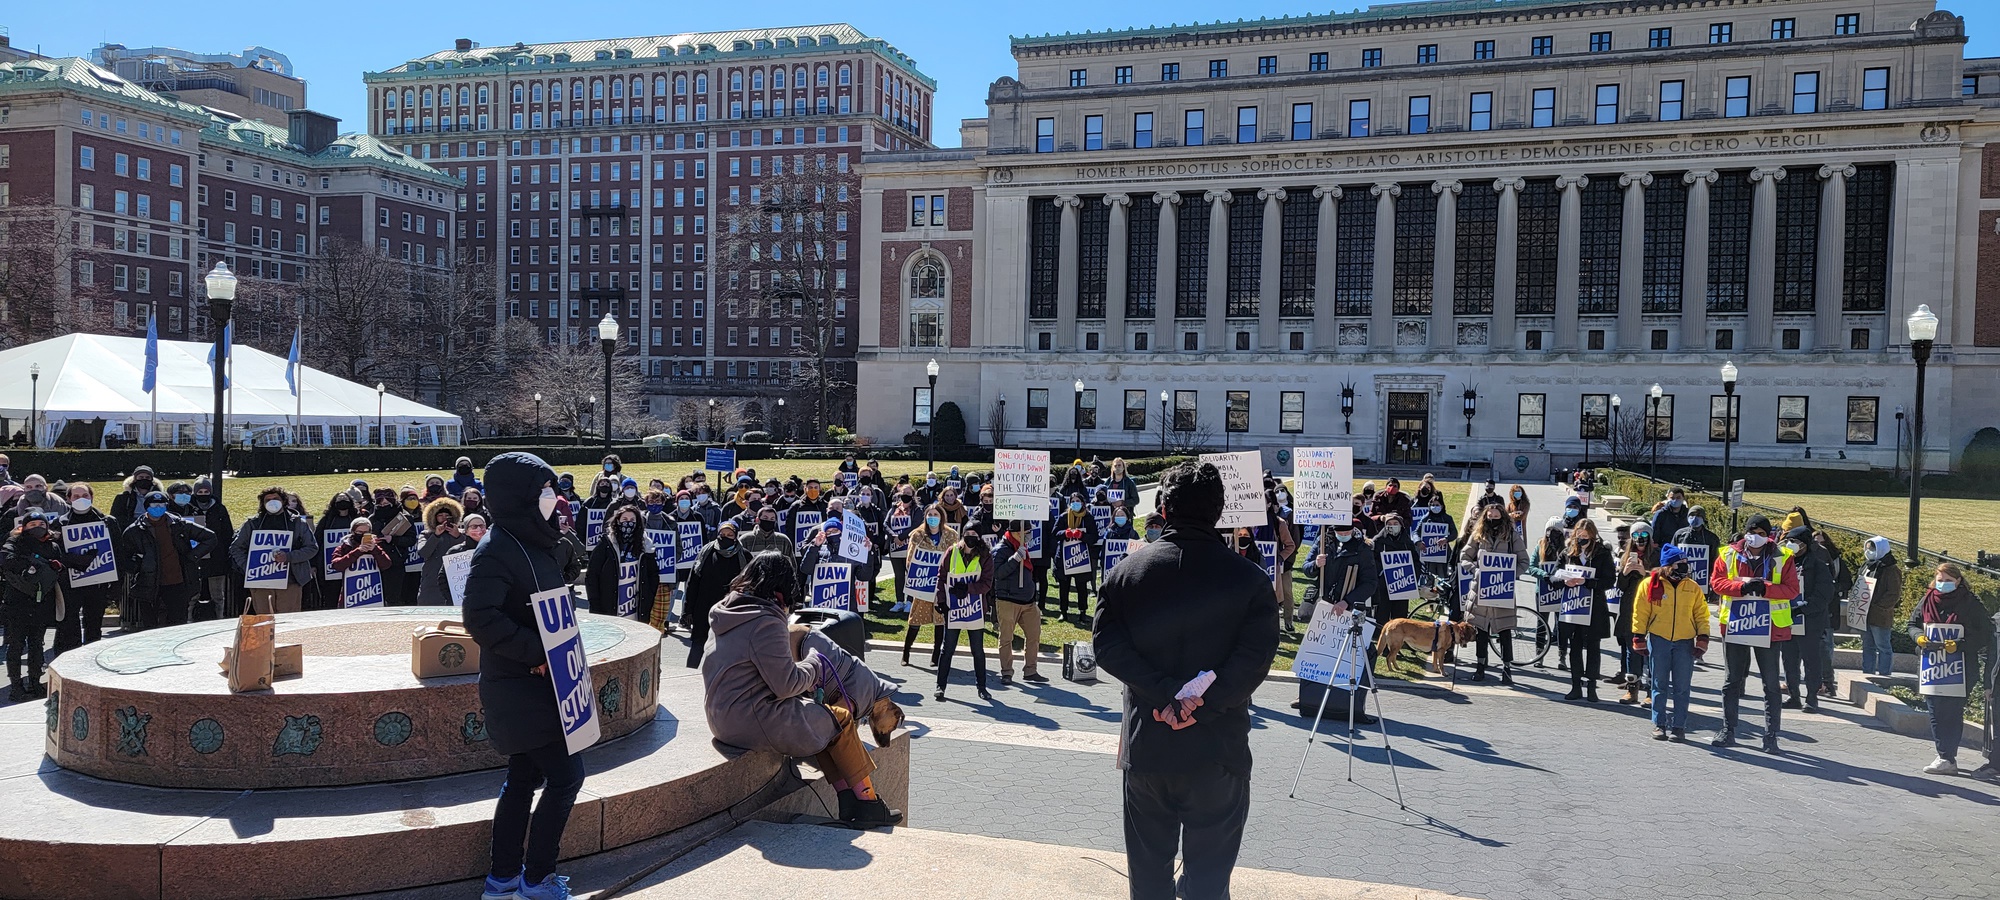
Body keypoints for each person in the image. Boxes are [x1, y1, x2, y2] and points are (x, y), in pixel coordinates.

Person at [1093, 461, 1280, 900]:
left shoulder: (1126, 574)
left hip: (1149, 747)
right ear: (1218, 513)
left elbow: (1108, 648)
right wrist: (1199, 703)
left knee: (1149, 882)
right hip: (1217, 750)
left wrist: (1164, 694)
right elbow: (1254, 660)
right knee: (1208, 884)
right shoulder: (1250, 580)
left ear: (1163, 508)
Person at [460, 453, 587, 900]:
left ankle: (503, 877)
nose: (553, 498)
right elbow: (479, 616)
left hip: (544, 682)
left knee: (522, 779)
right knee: (568, 776)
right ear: (519, 498)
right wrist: (537, 653)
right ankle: (537, 878)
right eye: (543, 491)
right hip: (520, 684)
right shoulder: (495, 548)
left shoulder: (534, 539)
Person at [701, 552, 903, 826]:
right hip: (751, 720)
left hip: (721, 718)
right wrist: (814, 663)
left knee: (821, 718)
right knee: (840, 719)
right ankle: (868, 803)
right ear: (781, 587)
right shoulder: (766, 621)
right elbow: (787, 685)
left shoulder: (727, 613)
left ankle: (847, 799)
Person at [1710, 514, 1800, 753]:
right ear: (1746, 532)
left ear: (1768, 535)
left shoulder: (1783, 557)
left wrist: (1766, 588)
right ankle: (1728, 730)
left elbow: (1792, 590)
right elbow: (1717, 583)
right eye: (1753, 532)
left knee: (1770, 684)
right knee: (1732, 682)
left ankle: (1771, 736)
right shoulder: (1728, 554)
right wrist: (1741, 587)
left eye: (1762, 533)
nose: (1757, 537)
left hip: (1769, 629)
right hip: (1737, 626)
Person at [1908, 563, 1993, 776]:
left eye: (1948, 580)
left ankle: (1948, 757)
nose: (1943, 584)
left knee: (1953, 712)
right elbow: (1912, 624)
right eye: (1940, 580)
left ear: (1958, 581)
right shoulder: (1927, 599)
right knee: (1935, 710)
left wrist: (1960, 645)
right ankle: (1943, 755)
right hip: (1932, 665)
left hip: (1961, 667)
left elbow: (1986, 633)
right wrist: (1918, 637)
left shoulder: (1970, 603)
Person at [3, 510, 94, 699]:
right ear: (24, 527)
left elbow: (62, 562)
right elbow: (6, 559)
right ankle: (16, 686)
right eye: (32, 525)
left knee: (37, 643)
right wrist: (31, 566)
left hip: (41, 602)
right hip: (17, 602)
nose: (37, 528)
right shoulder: (14, 543)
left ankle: (35, 682)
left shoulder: (53, 546)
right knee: (16, 644)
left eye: (41, 524)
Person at [1301, 519, 1380, 720]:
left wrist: (1347, 601)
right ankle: (1310, 698)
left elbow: (1370, 583)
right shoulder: (1323, 542)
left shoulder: (1362, 549)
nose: (1342, 534)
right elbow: (1306, 568)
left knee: (1352, 655)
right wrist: (1315, 565)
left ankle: (1347, 702)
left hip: (1350, 610)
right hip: (1324, 607)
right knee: (1317, 653)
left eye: (1346, 531)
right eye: (1339, 531)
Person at [1630, 545, 1709, 741]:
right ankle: (1659, 723)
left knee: (1682, 687)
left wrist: (1703, 638)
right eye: (1679, 563)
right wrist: (1638, 637)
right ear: (1668, 566)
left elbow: (1701, 614)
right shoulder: (1649, 585)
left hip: (1685, 641)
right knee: (1659, 684)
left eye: (1685, 563)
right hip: (1659, 639)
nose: (1684, 567)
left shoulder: (1692, 587)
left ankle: (1679, 725)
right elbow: (1640, 612)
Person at [121, 491, 217, 629]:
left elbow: (210, 537)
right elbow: (123, 557)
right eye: (154, 505)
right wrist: (137, 567)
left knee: (177, 627)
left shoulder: (180, 524)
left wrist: (192, 557)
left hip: (178, 583)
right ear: (147, 507)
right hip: (149, 586)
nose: (158, 508)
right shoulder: (134, 531)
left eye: (162, 504)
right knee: (151, 629)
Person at [1460, 502, 1526, 685]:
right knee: (1481, 632)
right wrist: (1475, 570)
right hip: (1481, 590)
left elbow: (1524, 561)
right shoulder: (1478, 534)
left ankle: (1507, 669)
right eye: (1489, 517)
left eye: (1496, 517)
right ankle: (1480, 667)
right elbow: (1464, 556)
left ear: (1503, 517)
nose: (1492, 520)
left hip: (1502, 591)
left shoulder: (1512, 535)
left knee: (1505, 633)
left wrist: (1509, 575)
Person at [53, 483, 119, 652]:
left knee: (94, 626)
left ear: (92, 498)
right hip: (70, 584)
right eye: (76, 496)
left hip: (97, 584)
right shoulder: (59, 523)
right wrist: (78, 561)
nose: (80, 499)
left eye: (85, 496)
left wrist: (116, 584)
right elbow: (54, 553)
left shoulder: (108, 522)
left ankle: (92, 661)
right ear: (68, 499)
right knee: (69, 627)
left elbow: (118, 552)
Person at [1556, 518, 1616, 702]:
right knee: (1574, 647)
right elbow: (1555, 575)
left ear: (1593, 537)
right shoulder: (1567, 552)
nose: (1582, 541)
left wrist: (1588, 582)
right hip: (1573, 608)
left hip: (1594, 609)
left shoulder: (1602, 554)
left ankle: (1591, 687)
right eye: (1579, 537)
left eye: (1586, 538)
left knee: (1593, 648)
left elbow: (1609, 580)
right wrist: (1563, 580)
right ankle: (1575, 686)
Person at [935, 525, 993, 702]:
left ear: (979, 537)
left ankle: (982, 687)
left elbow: (987, 583)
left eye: (974, 534)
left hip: (975, 609)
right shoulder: (951, 552)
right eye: (967, 534)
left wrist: (968, 588)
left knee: (978, 650)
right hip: (953, 609)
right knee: (947, 649)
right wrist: (941, 600)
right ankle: (940, 686)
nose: (970, 537)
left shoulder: (985, 556)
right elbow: (941, 576)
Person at [1778, 525, 1831, 714]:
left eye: (1796, 542)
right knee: (1789, 660)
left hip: (1810, 623)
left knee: (1811, 662)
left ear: (1806, 544)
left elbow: (1824, 595)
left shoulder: (1818, 566)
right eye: (1788, 541)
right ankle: (1794, 695)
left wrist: (1804, 609)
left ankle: (1811, 699)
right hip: (1788, 620)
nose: (1791, 545)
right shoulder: (1784, 563)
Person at [682, 520, 746, 669]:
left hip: (730, 610)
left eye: (730, 535)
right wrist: (687, 610)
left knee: (725, 649)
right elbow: (693, 582)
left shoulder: (744, 556)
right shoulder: (706, 552)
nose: (725, 537)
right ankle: (689, 679)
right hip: (703, 608)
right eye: (722, 534)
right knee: (698, 645)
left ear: (736, 536)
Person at [1613, 522, 1663, 704]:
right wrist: (1625, 573)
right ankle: (1632, 689)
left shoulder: (1657, 556)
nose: (1639, 539)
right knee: (1631, 650)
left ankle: (1651, 693)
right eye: (1636, 536)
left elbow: (1662, 584)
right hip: (1630, 608)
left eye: (1643, 536)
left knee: (1649, 652)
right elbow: (1620, 586)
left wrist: (1645, 573)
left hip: (1650, 608)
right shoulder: (1627, 556)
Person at [901, 507, 958, 667]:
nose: (933, 518)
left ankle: (935, 656)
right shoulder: (917, 535)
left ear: (942, 517)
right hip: (923, 584)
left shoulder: (951, 535)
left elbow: (955, 558)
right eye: (930, 515)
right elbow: (910, 559)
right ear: (925, 517)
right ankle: (906, 653)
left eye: (936, 515)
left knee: (940, 621)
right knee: (915, 619)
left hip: (941, 585)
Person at [991, 521, 1044, 685]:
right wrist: (1014, 559)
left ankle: (1030, 670)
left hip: (1028, 602)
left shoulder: (1023, 547)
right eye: (1025, 532)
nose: (1028, 535)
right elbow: (997, 573)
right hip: (1008, 601)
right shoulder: (1000, 550)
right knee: (1006, 638)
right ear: (1015, 533)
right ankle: (1006, 671)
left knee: (1034, 636)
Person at [586, 502, 659, 622]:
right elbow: (592, 574)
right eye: (624, 519)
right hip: (610, 607)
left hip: (636, 608)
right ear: (618, 521)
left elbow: (653, 574)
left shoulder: (646, 546)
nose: (628, 522)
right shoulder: (606, 544)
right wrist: (594, 602)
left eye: (632, 520)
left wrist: (649, 596)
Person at [188, 477, 238, 616]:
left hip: (217, 557)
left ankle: (219, 618)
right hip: (195, 556)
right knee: (192, 595)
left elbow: (228, 532)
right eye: (200, 491)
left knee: (218, 594)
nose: (203, 494)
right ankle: (189, 619)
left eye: (206, 491)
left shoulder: (220, 509)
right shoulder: (188, 508)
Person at [419, 502, 482, 606]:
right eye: (440, 515)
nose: (444, 518)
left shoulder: (462, 533)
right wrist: (435, 536)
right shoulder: (426, 534)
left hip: (456, 582)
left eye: (447, 516)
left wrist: (458, 536)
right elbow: (423, 553)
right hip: (431, 581)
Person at [1052, 491, 1100, 625]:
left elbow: (1094, 537)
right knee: (1064, 586)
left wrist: (1082, 536)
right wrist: (1065, 533)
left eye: (1078, 501)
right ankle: (1064, 612)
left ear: (1083, 503)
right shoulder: (1063, 517)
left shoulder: (1088, 518)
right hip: (1064, 558)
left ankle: (1083, 612)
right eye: (1073, 501)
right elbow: (1055, 533)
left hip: (1081, 558)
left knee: (1081, 587)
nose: (1075, 504)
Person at [1857, 537, 1903, 677]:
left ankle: (1884, 675)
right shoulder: (1867, 565)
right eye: (1868, 548)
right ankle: (1868, 673)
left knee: (1883, 647)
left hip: (1880, 615)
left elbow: (1894, 593)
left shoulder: (1891, 569)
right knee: (1867, 646)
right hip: (1864, 614)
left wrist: (1878, 606)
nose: (1869, 551)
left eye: (1873, 549)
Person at [1526, 519, 1569, 669]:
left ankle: (1562, 656)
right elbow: (1531, 567)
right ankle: (1540, 655)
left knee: (1562, 625)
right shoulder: (1540, 547)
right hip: (1543, 591)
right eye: (1549, 530)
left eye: (1556, 531)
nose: (1551, 534)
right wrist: (1544, 574)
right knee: (1541, 624)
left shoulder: (1566, 549)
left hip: (1561, 591)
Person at [1670, 506, 1722, 602]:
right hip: (1681, 580)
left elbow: (1715, 562)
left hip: (1702, 584)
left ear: (1703, 518)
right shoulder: (1679, 534)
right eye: (1692, 515)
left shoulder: (1711, 538)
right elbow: (1671, 556)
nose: (1695, 518)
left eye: (1698, 515)